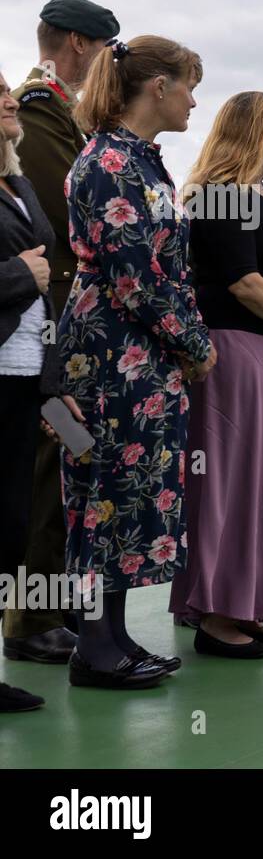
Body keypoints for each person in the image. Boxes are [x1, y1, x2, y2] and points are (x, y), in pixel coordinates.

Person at [61, 35, 214, 689]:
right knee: (100, 498)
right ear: (157, 87)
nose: (193, 100)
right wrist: (196, 343)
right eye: (188, 86)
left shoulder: (144, 162)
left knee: (127, 501)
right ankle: (93, 646)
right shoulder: (106, 163)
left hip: (143, 360)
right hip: (105, 360)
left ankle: (113, 634)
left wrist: (180, 346)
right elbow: (134, 276)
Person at [169, 92, 263, 657]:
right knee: (230, 487)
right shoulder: (216, 196)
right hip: (233, 354)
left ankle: (249, 605)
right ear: (258, 131)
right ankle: (214, 614)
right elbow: (241, 280)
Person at [5, 0, 118, 665]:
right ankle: (29, 620)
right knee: (47, 465)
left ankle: (52, 607)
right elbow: (64, 219)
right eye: (107, 49)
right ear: (79, 43)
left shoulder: (55, 112)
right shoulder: (40, 110)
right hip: (40, 327)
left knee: (64, 459)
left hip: (54, 326)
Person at [0, 70, 59, 711]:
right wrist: (19, 272)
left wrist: (48, 388)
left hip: (20, 379)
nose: (10, 100)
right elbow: (32, 274)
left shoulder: (19, 185)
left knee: (10, 525)